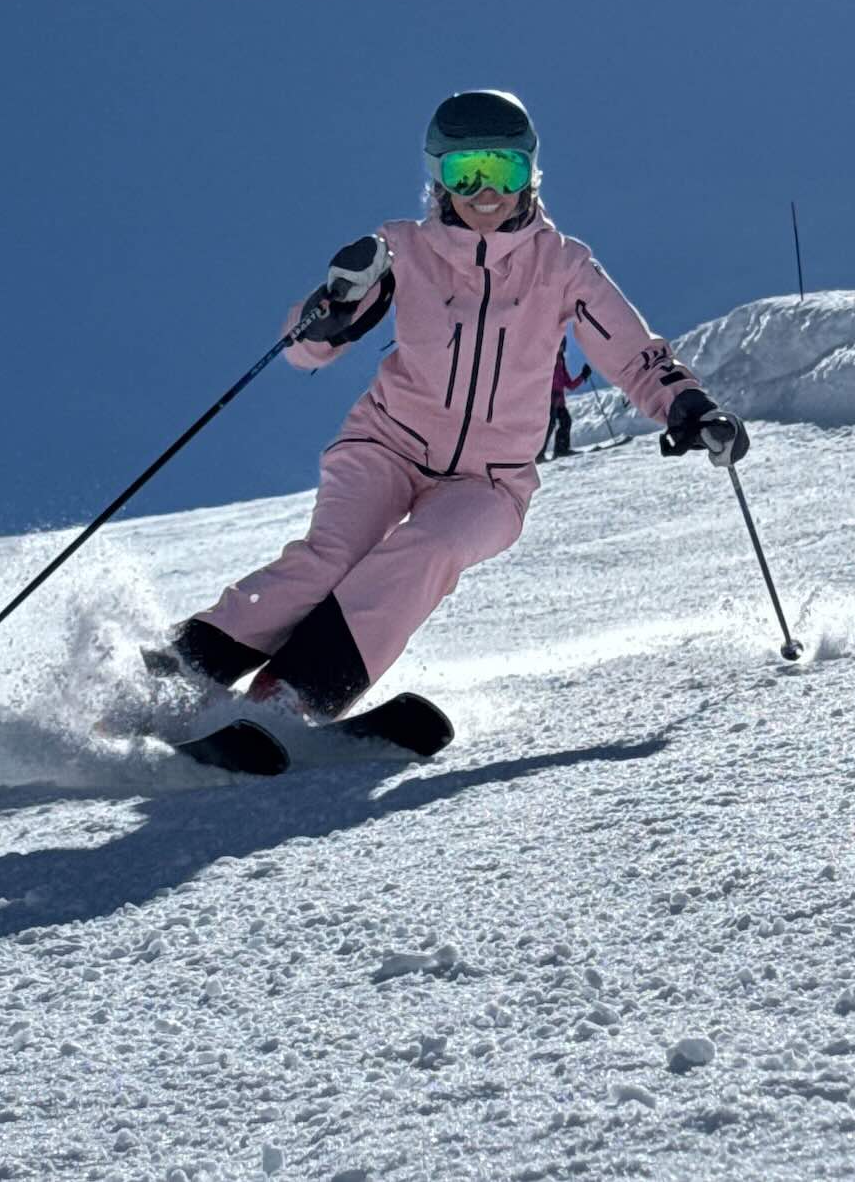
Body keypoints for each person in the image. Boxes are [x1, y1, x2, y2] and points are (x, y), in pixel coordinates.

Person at [145, 90, 749, 722]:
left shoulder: (563, 265)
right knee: (333, 556)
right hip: (385, 445)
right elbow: (308, 347)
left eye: (505, 170)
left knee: (428, 551)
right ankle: (182, 671)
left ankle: (290, 695)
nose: (486, 191)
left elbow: (632, 352)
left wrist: (687, 404)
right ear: (439, 178)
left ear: (530, 176)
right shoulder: (403, 249)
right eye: (466, 173)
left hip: (490, 482)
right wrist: (328, 316)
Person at [541, 342, 592, 460]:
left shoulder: (561, 362)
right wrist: (552, 393)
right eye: (559, 344)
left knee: (566, 421)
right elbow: (544, 379)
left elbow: (570, 385)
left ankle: (561, 449)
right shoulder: (548, 359)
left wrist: (583, 376)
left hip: (559, 402)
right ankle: (539, 454)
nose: (561, 347)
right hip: (548, 401)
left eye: (563, 344)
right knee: (549, 425)